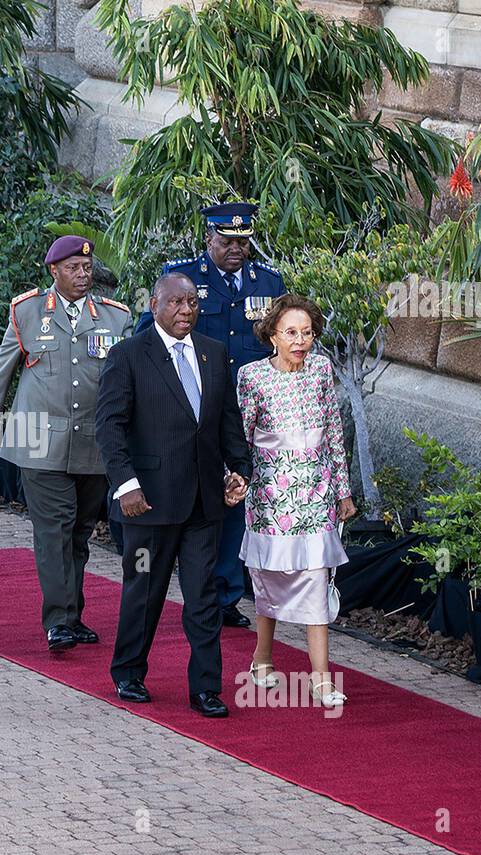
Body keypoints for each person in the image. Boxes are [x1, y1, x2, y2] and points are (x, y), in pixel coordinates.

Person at [96, 272, 251, 717]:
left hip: (204, 503)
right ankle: (128, 671)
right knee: (145, 590)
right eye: (176, 303)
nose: (186, 311)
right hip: (149, 502)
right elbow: (109, 426)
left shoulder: (213, 353)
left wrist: (239, 470)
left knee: (203, 595)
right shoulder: (128, 355)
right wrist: (125, 485)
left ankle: (206, 688)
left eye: (192, 303)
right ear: (154, 305)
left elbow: (227, 422)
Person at [0, 235, 133, 652]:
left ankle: (73, 615)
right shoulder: (27, 312)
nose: (83, 275)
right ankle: (59, 619)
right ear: (54, 271)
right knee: (54, 530)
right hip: (38, 442)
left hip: (93, 443)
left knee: (80, 531)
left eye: (86, 268)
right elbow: (2, 370)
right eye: (73, 269)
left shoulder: (115, 318)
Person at [135, 202, 287, 630]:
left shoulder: (268, 282)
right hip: (193, 411)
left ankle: (224, 595)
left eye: (243, 242)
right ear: (208, 240)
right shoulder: (184, 280)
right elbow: (148, 339)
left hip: (249, 415)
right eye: (226, 241)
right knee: (196, 499)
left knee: (236, 500)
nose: (236, 249)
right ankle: (188, 588)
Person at [236, 294, 356, 707]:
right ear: (272, 335)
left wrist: (343, 489)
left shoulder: (322, 369)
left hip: (317, 494)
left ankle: (321, 679)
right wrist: (235, 482)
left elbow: (334, 432)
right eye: (291, 333)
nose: (301, 340)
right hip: (270, 495)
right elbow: (241, 439)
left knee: (315, 581)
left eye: (307, 333)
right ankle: (262, 658)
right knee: (269, 576)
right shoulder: (252, 377)